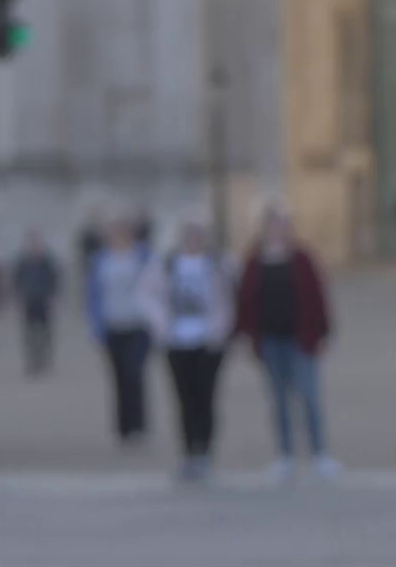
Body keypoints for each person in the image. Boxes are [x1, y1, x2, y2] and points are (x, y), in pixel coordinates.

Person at [234, 201, 339, 481]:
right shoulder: (254, 261)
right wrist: (245, 335)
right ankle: (285, 455)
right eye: (274, 226)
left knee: (309, 397)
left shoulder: (302, 258)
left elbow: (318, 297)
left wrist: (324, 333)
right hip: (270, 341)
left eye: (283, 225)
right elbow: (245, 302)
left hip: (301, 340)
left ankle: (319, 453)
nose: (279, 231)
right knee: (279, 400)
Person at [143, 219, 234, 482]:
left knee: (206, 397)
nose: (194, 240)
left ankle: (204, 450)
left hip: (208, 342)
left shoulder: (220, 264)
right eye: (189, 235)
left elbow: (231, 298)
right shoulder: (166, 264)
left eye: (199, 235)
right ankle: (188, 451)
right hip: (177, 341)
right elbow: (147, 296)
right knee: (184, 399)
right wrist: (161, 325)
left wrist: (221, 328)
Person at [87, 216, 155, 445]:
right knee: (118, 376)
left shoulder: (143, 256)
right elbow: (94, 295)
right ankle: (123, 426)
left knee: (134, 373)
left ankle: (139, 424)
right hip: (112, 325)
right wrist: (95, 326)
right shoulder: (101, 260)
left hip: (138, 325)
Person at [11, 231, 62, 376]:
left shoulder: (47, 262)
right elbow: (16, 282)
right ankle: (32, 360)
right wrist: (18, 299)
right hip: (29, 301)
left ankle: (44, 357)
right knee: (29, 333)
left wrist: (53, 297)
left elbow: (54, 280)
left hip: (43, 301)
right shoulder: (22, 262)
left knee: (45, 332)